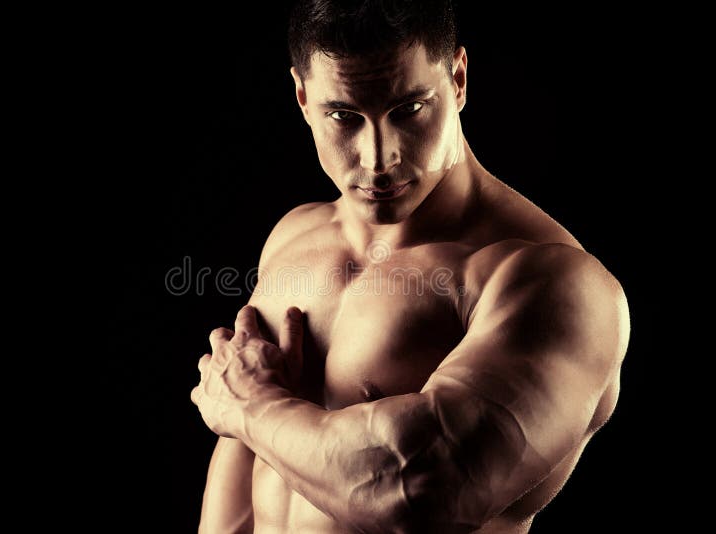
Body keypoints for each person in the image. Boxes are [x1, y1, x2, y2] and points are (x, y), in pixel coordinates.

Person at [191, 1, 630, 532]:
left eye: (409, 110)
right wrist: (250, 414)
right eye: (344, 117)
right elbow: (244, 463)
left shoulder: (552, 282)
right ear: (303, 98)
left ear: (459, 79)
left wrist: (251, 409)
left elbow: (422, 487)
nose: (379, 158)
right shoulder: (294, 237)